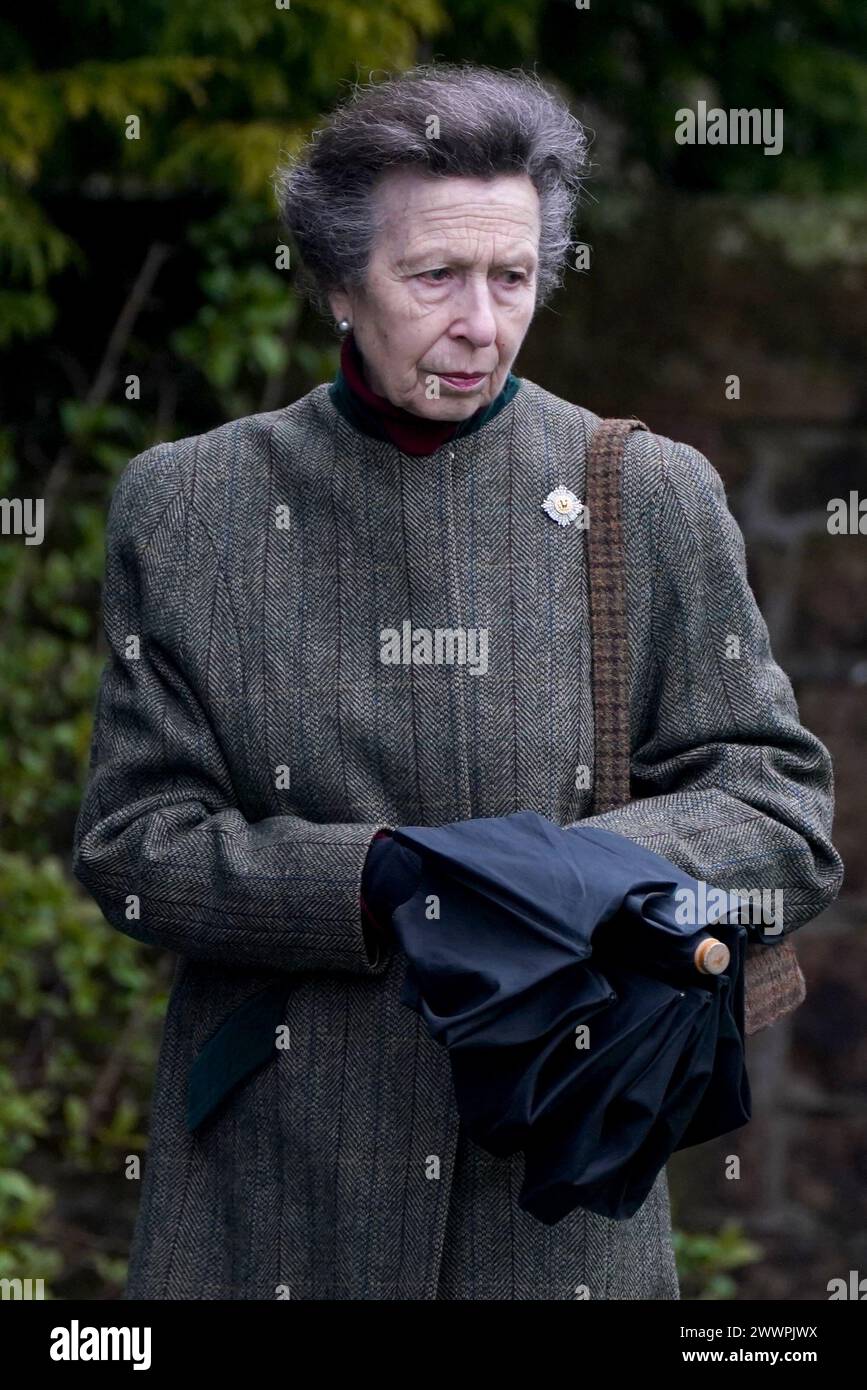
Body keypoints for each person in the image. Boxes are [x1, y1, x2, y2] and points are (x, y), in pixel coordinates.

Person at [72, 62, 844, 1301]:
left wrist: (559, 876)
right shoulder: (190, 507)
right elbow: (131, 847)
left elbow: (780, 816)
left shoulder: (647, 495)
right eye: (434, 277)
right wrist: (373, 880)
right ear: (336, 281)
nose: (480, 323)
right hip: (277, 1187)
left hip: (557, 1182)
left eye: (514, 276)